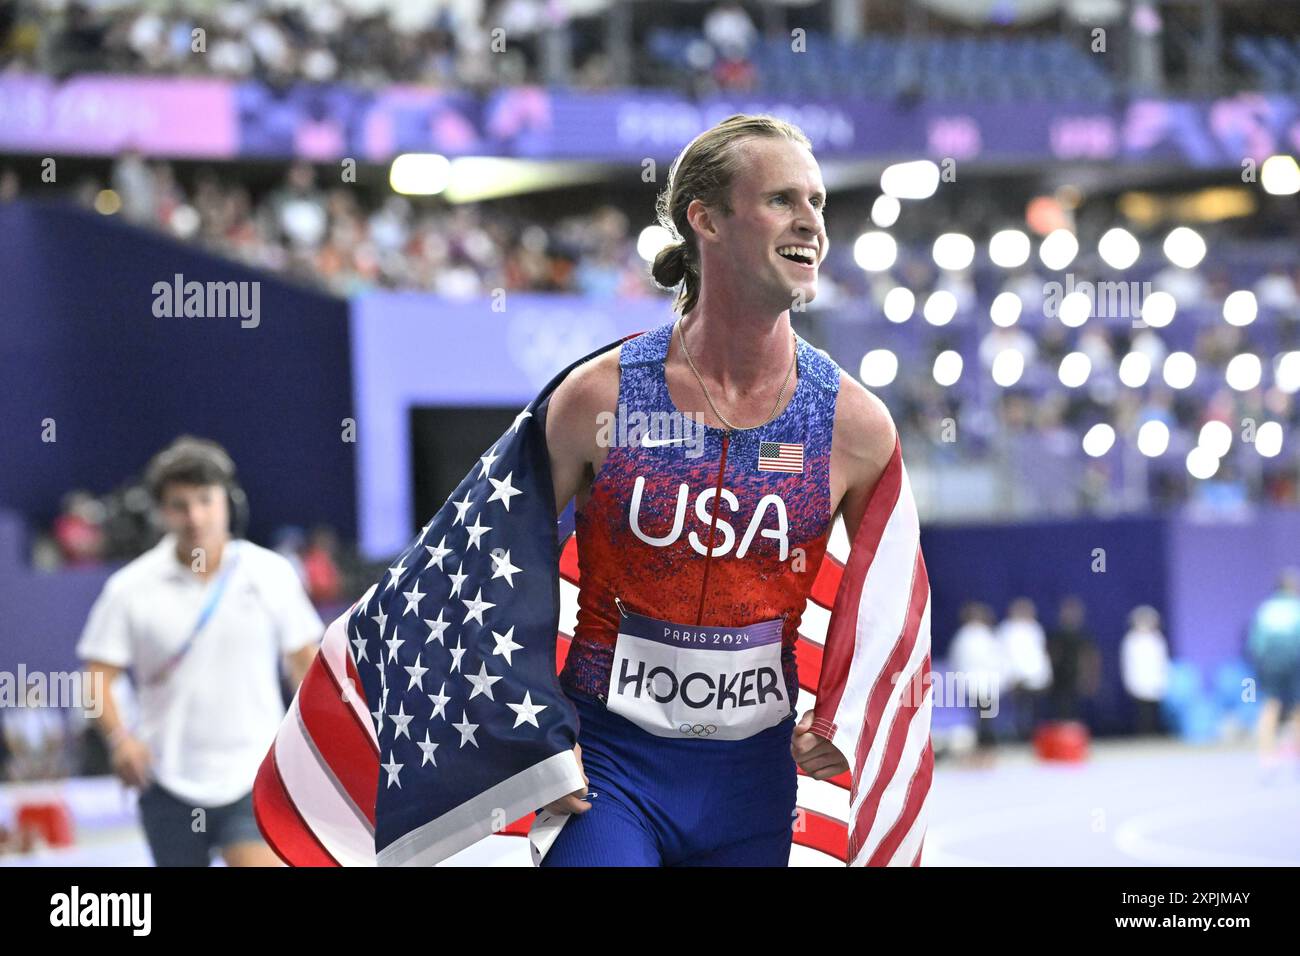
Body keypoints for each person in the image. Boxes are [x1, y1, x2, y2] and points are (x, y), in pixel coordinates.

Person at [538, 114, 900, 866]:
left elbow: (887, 603)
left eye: (819, 203)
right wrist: (531, 730)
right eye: (781, 200)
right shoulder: (596, 399)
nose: (811, 223)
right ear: (705, 220)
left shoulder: (856, 428)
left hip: (750, 785)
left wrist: (843, 714)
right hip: (608, 767)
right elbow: (500, 569)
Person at [76, 437, 323, 866]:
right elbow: (97, 676)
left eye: (205, 500)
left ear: (227, 501)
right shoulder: (131, 588)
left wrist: (312, 741)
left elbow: (304, 662)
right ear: (161, 513)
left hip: (255, 777)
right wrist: (119, 740)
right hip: (167, 780)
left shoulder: (270, 574)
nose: (195, 517)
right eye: (179, 504)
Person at [1247, 569, 1300, 772]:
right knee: (1297, 709)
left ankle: (1266, 757)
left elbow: (1255, 643)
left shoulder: (1266, 609)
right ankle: (1297, 756)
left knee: (1270, 706)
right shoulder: (1296, 607)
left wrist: (1259, 667)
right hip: (1295, 662)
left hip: (1269, 664)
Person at [947, 602, 1003, 766]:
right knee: (982, 717)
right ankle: (983, 749)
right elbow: (959, 660)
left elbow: (995, 660)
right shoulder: (967, 636)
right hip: (975, 682)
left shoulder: (983, 636)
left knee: (985, 718)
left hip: (984, 682)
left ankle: (987, 749)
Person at [996, 597, 1052, 742]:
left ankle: (1033, 736)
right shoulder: (1007, 629)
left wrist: (1044, 674)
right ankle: (1021, 736)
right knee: (1020, 709)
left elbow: (1039, 653)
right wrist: (1010, 675)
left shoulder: (1034, 628)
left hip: (1034, 676)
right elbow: (1004, 654)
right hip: (1017, 677)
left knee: (1033, 709)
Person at [1046, 596, 1101, 724]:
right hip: (1058, 678)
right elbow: (1050, 655)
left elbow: (1090, 657)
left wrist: (1090, 677)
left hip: (1075, 677)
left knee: (1073, 708)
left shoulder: (1084, 636)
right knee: (1059, 708)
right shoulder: (1055, 635)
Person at [1120, 605, 1169, 736]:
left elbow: (1161, 663)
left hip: (1154, 681)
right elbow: (1128, 664)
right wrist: (1130, 682)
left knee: (1154, 711)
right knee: (1142, 712)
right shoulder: (1131, 640)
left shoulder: (1157, 639)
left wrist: (1162, 679)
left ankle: (1154, 734)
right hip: (1139, 682)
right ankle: (1143, 735)